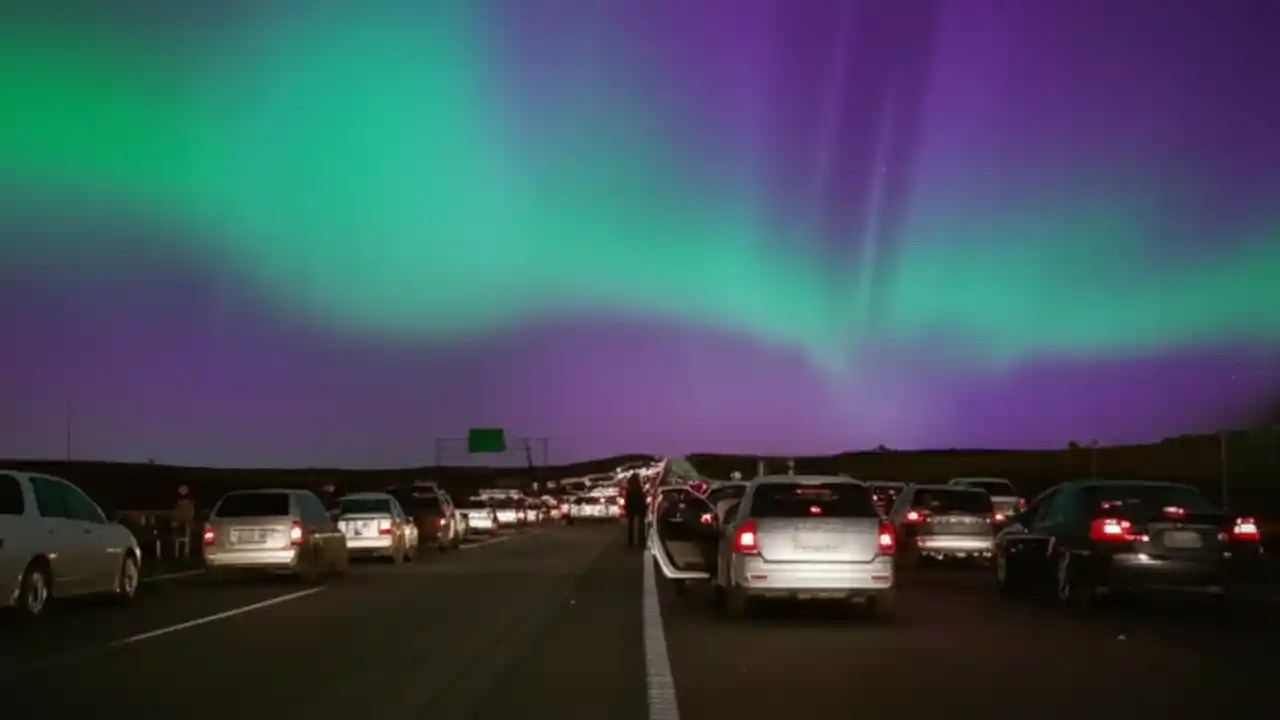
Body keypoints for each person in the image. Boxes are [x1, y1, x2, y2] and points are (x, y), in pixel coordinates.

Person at [625, 473, 646, 547]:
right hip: (639, 507)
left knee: (631, 525)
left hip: (631, 507)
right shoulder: (639, 488)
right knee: (641, 525)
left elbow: (627, 500)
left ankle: (630, 541)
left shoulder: (629, 489)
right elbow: (642, 499)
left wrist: (627, 509)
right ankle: (641, 541)